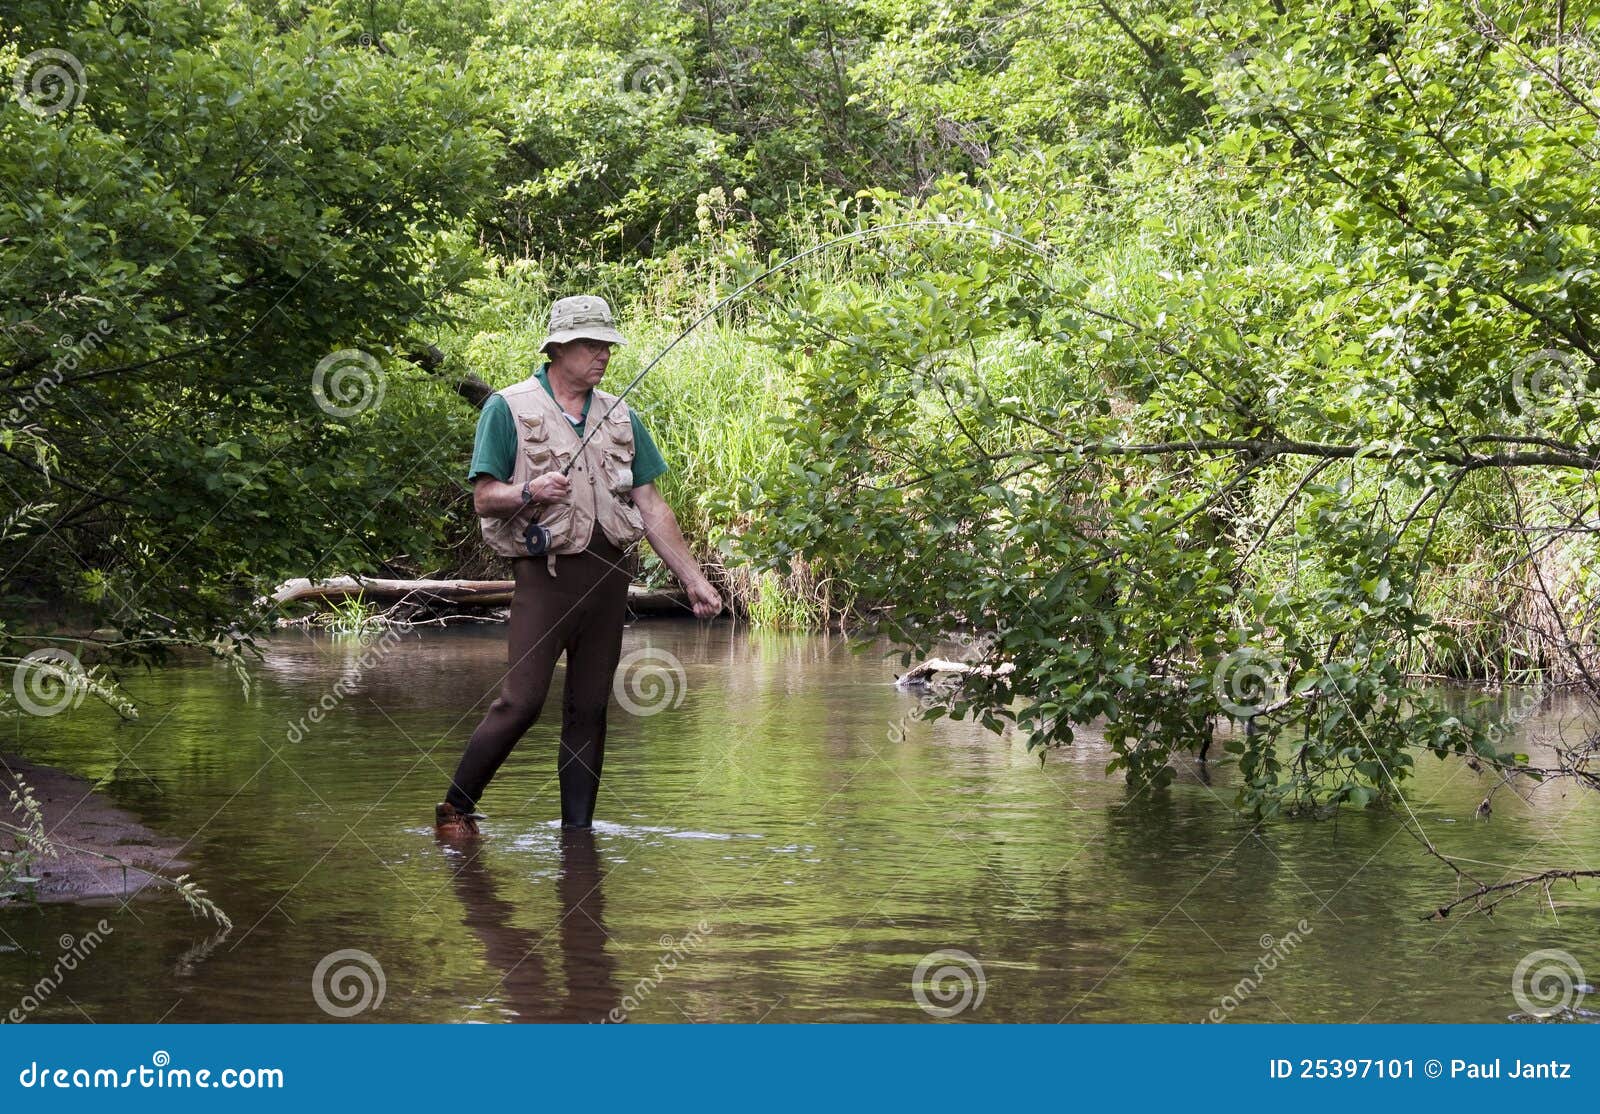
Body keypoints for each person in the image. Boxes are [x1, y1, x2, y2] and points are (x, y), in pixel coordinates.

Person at [435, 295, 721, 838]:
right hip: (546, 579)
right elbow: (483, 497)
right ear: (558, 347)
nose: (603, 355)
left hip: (610, 579)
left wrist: (694, 579)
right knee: (522, 701)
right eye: (592, 344)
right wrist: (529, 490)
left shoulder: (622, 415)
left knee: (590, 709)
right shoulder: (508, 408)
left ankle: (578, 838)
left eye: (607, 345)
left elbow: (651, 503)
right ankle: (455, 809)